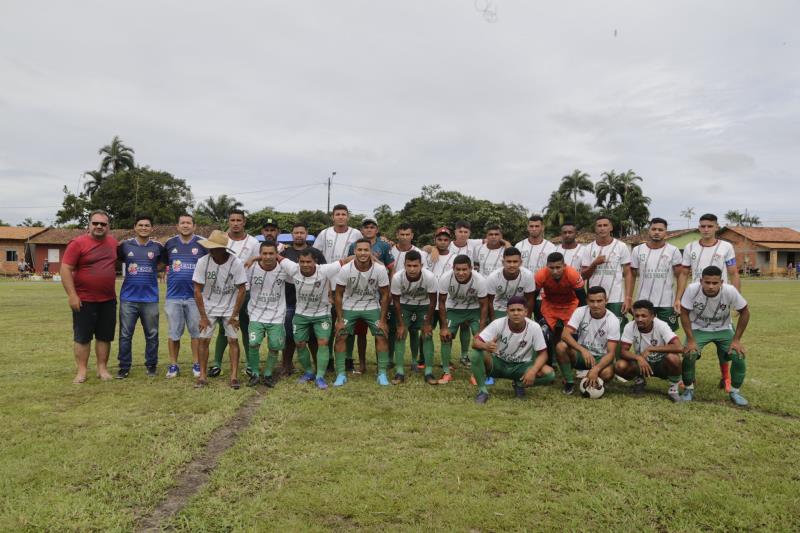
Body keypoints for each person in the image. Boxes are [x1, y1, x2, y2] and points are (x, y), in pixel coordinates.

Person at [677, 213, 740, 390]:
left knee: (724, 343)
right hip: (696, 299)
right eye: (703, 226)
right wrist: (678, 298)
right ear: (699, 227)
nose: (706, 229)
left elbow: (734, 273)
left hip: (720, 299)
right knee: (692, 341)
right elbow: (683, 273)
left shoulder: (726, 247)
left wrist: (736, 299)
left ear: (716, 227)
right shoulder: (690, 247)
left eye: (710, 226)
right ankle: (690, 378)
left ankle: (726, 378)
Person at [60, 210, 118, 383]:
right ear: (89, 224)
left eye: (103, 224)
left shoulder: (113, 243)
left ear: (108, 226)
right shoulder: (77, 243)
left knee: (104, 336)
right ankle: (82, 371)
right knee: (83, 337)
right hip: (84, 300)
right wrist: (72, 295)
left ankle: (102, 369)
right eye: (95, 223)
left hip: (108, 300)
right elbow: (65, 269)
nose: (99, 226)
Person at [679, 265, 750, 406]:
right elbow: (684, 313)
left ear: (721, 282)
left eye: (715, 283)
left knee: (738, 355)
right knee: (689, 354)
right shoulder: (692, 289)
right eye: (707, 282)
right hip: (698, 328)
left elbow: (745, 312)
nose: (711, 286)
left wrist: (736, 340)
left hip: (723, 328)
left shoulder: (730, 290)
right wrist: (691, 339)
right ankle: (688, 388)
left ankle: (735, 391)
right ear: (701, 281)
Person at [471, 296, 556, 404]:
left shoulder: (534, 327)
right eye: (512, 310)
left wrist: (533, 370)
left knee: (549, 374)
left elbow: (543, 354)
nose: (516, 313)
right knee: (475, 354)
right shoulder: (498, 323)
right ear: (507, 312)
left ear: (526, 312)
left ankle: (519, 384)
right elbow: (475, 343)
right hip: (498, 364)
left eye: (519, 310)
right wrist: (485, 346)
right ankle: (482, 391)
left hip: (521, 366)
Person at [193, 230, 247, 389]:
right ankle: (202, 376)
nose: (211, 250)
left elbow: (242, 289)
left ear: (223, 249)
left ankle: (234, 377)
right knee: (203, 340)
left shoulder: (235, 262)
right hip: (209, 305)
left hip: (230, 306)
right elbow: (197, 290)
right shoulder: (202, 262)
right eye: (209, 247)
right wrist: (203, 317)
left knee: (233, 340)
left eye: (215, 248)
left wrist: (235, 315)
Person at [333, 238, 391, 387]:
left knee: (382, 334)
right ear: (354, 251)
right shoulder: (346, 269)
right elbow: (338, 294)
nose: (363, 253)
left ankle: (382, 374)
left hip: (371, 305)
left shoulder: (380, 269)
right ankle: (341, 374)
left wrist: (383, 321)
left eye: (366, 250)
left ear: (371, 251)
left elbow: (385, 295)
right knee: (340, 335)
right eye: (360, 250)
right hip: (350, 305)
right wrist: (339, 320)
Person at [210, 209, 261, 378]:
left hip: (245, 291)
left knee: (246, 328)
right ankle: (216, 364)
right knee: (224, 329)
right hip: (225, 293)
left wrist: (254, 260)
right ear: (228, 221)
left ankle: (249, 364)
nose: (236, 223)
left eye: (239, 220)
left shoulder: (253, 242)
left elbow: (259, 261)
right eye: (232, 220)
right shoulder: (222, 239)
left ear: (244, 222)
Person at [245, 241, 299, 388]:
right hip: (256, 313)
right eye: (264, 253)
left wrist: (280, 259)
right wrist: (253, 259)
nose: (268, 256)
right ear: (260, 254)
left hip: (277, 315)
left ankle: (268, 374)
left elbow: (297, 271)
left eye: (271, 253)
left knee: (275, 346)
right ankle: (255, 374)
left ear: (277, 254)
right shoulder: (251, 268)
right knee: (253, 344)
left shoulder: (283, 269)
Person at [116, 215, 164, 378]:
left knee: (152, 334)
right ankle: (124, 367)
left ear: (152, 228)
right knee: (125, 335)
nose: (144, 228)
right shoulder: (125, 246)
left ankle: (151, 365)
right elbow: (118, 260)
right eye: (141, 225)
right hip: (128, 298)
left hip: (150, 298)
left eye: (147, 225)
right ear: (135, 227)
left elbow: (162, 263)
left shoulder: (157, 247)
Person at [291, 249, 347, 389]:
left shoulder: (325, 270)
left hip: (322, 314)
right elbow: (277, 257)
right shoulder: (292, 268)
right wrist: (254, 259)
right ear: (298, 261)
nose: (305, 264)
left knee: (323, 342)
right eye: (302, 262)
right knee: (300, 343)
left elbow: (346, 260)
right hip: (301, 314)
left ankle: (320, 376)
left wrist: (370, 257)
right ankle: (308, 372)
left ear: (315, 261)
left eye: (308, 261)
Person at [346, 217, 395, 373]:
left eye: (372, 227)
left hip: (379, 294)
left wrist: (390, 289)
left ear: (377, 229)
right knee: (360, 333)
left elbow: (391, 268)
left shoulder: (384, 245)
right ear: (361, 230)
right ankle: (361, 364)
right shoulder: (354, 245)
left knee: (380, 330)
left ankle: (383, 363)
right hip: (359, 295)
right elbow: (349, 266)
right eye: (366, 227)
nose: (369, 229)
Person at [163, 213, 208, 378]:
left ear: (194, 226)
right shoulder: (170, 243)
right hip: (173, 296)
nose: (185, 225)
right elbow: (163, 263)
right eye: (182, 222)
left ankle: (196, 363)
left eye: (189, 223)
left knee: (196, 333)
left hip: (195, 297)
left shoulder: (203, 243)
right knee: (173, 334)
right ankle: (173, 365)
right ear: (177, 226)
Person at [279, 222, 326, 376]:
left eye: (302, 232)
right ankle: (287, 365)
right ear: (292, 234)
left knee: (312, 337)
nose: (299, 235)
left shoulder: (315, 253)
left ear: (307, 233)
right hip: (290, 301)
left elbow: (326, 274)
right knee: (289, 335)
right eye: (296, 233)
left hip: (312, 304)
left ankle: (317, 366)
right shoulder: (285, 252)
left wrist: (330, 295)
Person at [615, 299, 684, 402]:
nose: (639, 319)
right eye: (637, 316)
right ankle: (639, 380)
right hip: (642, 363)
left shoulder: (661, 325)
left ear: (652, 316)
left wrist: (651, 349)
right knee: (620, 366)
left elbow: (679, 347)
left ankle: (673, 389)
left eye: (644, 316)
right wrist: (638, 358)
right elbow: (623, 352)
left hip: (661, 364)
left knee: (673, 358)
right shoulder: (630, 326)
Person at [555, 286, 620, 395]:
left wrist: (596, 369)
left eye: (599, 301)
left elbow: (611, 353)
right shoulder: (580, 311)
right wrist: (583, 350)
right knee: (561, 347)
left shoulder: (613, 320)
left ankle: (589, 377)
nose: (595, 305)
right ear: (587, 301)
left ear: (606, 301)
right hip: (582, 356)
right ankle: (569, 382)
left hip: (600, 358)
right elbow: (565, 335)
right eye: (592, 301)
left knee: (607, 373)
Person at [438, 254, 489, 384]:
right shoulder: (445, 278)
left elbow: (484, 305)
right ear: (453, 268)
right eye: (458, 269)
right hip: (454, 308)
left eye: (464, 269)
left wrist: (482, 330)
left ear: (471, 268)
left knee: (480, 339)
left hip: (474, 309)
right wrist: (443, 327)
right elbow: (442, 302)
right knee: (446, 337)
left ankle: (476, 373)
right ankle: (446, 372)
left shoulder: (480, 280)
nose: (461, 273)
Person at [390, 250, 438, 385]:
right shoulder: (397, 277)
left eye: (415, 266)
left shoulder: (430, 277)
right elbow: (396, 302)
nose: (412, 269)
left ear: (421, 265)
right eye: (409, 266)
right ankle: (399, 372)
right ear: (404, 265)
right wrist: (400, 325)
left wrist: (427, 323)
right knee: (400, 334)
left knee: (427, 335)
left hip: (424, 305)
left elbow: (433, 301)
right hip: (404, 305)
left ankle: (428, 372)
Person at [627, 218, 683, 331]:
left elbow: (680, 276)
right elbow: (632, 275)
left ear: (665, 232)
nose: (657, 232)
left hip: (667, 302)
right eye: (654, 229)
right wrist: (629, 297)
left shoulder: (673, 251)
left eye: (660, 230)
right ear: (649, 230)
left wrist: (678, 299)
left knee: (668, 334)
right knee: (641, 332)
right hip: (643, 301)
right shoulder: (637, 250)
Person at [580, 216, 633, 320]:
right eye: (599, 226)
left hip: (616, 298)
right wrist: (594, 264)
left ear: (611, 227)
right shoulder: (588, 248)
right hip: (595, 299)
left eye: (605, 225)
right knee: (596, 327)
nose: (602, 228)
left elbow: (628, 273)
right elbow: (584, 275)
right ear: (595, 228)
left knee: (617, 327)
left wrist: (628, 298)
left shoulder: (621, 246)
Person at [534, 252, 585, 348]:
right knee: (544, 333)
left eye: (558, 267)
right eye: (551, 268)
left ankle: (571, 356)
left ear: (564, 266)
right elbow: (532, 299)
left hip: (570, 305)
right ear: (546, 266)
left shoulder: (573, 274)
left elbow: (582, 300)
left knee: (573, 335)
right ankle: (548, 357)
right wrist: (540, 318)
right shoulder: (540, 275)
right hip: (550, 305)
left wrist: (578, 317)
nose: (555, 271)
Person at [485, 247, 535, 321]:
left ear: (521, 262)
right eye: (508, 261)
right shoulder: (493, 277)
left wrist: (527, 319)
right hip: (500, 307)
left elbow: (530, 300)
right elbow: (490, 302)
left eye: (515, 262)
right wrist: (493, 321)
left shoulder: (528, 275)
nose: (512, 265)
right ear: (503, 262)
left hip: (520, 307)